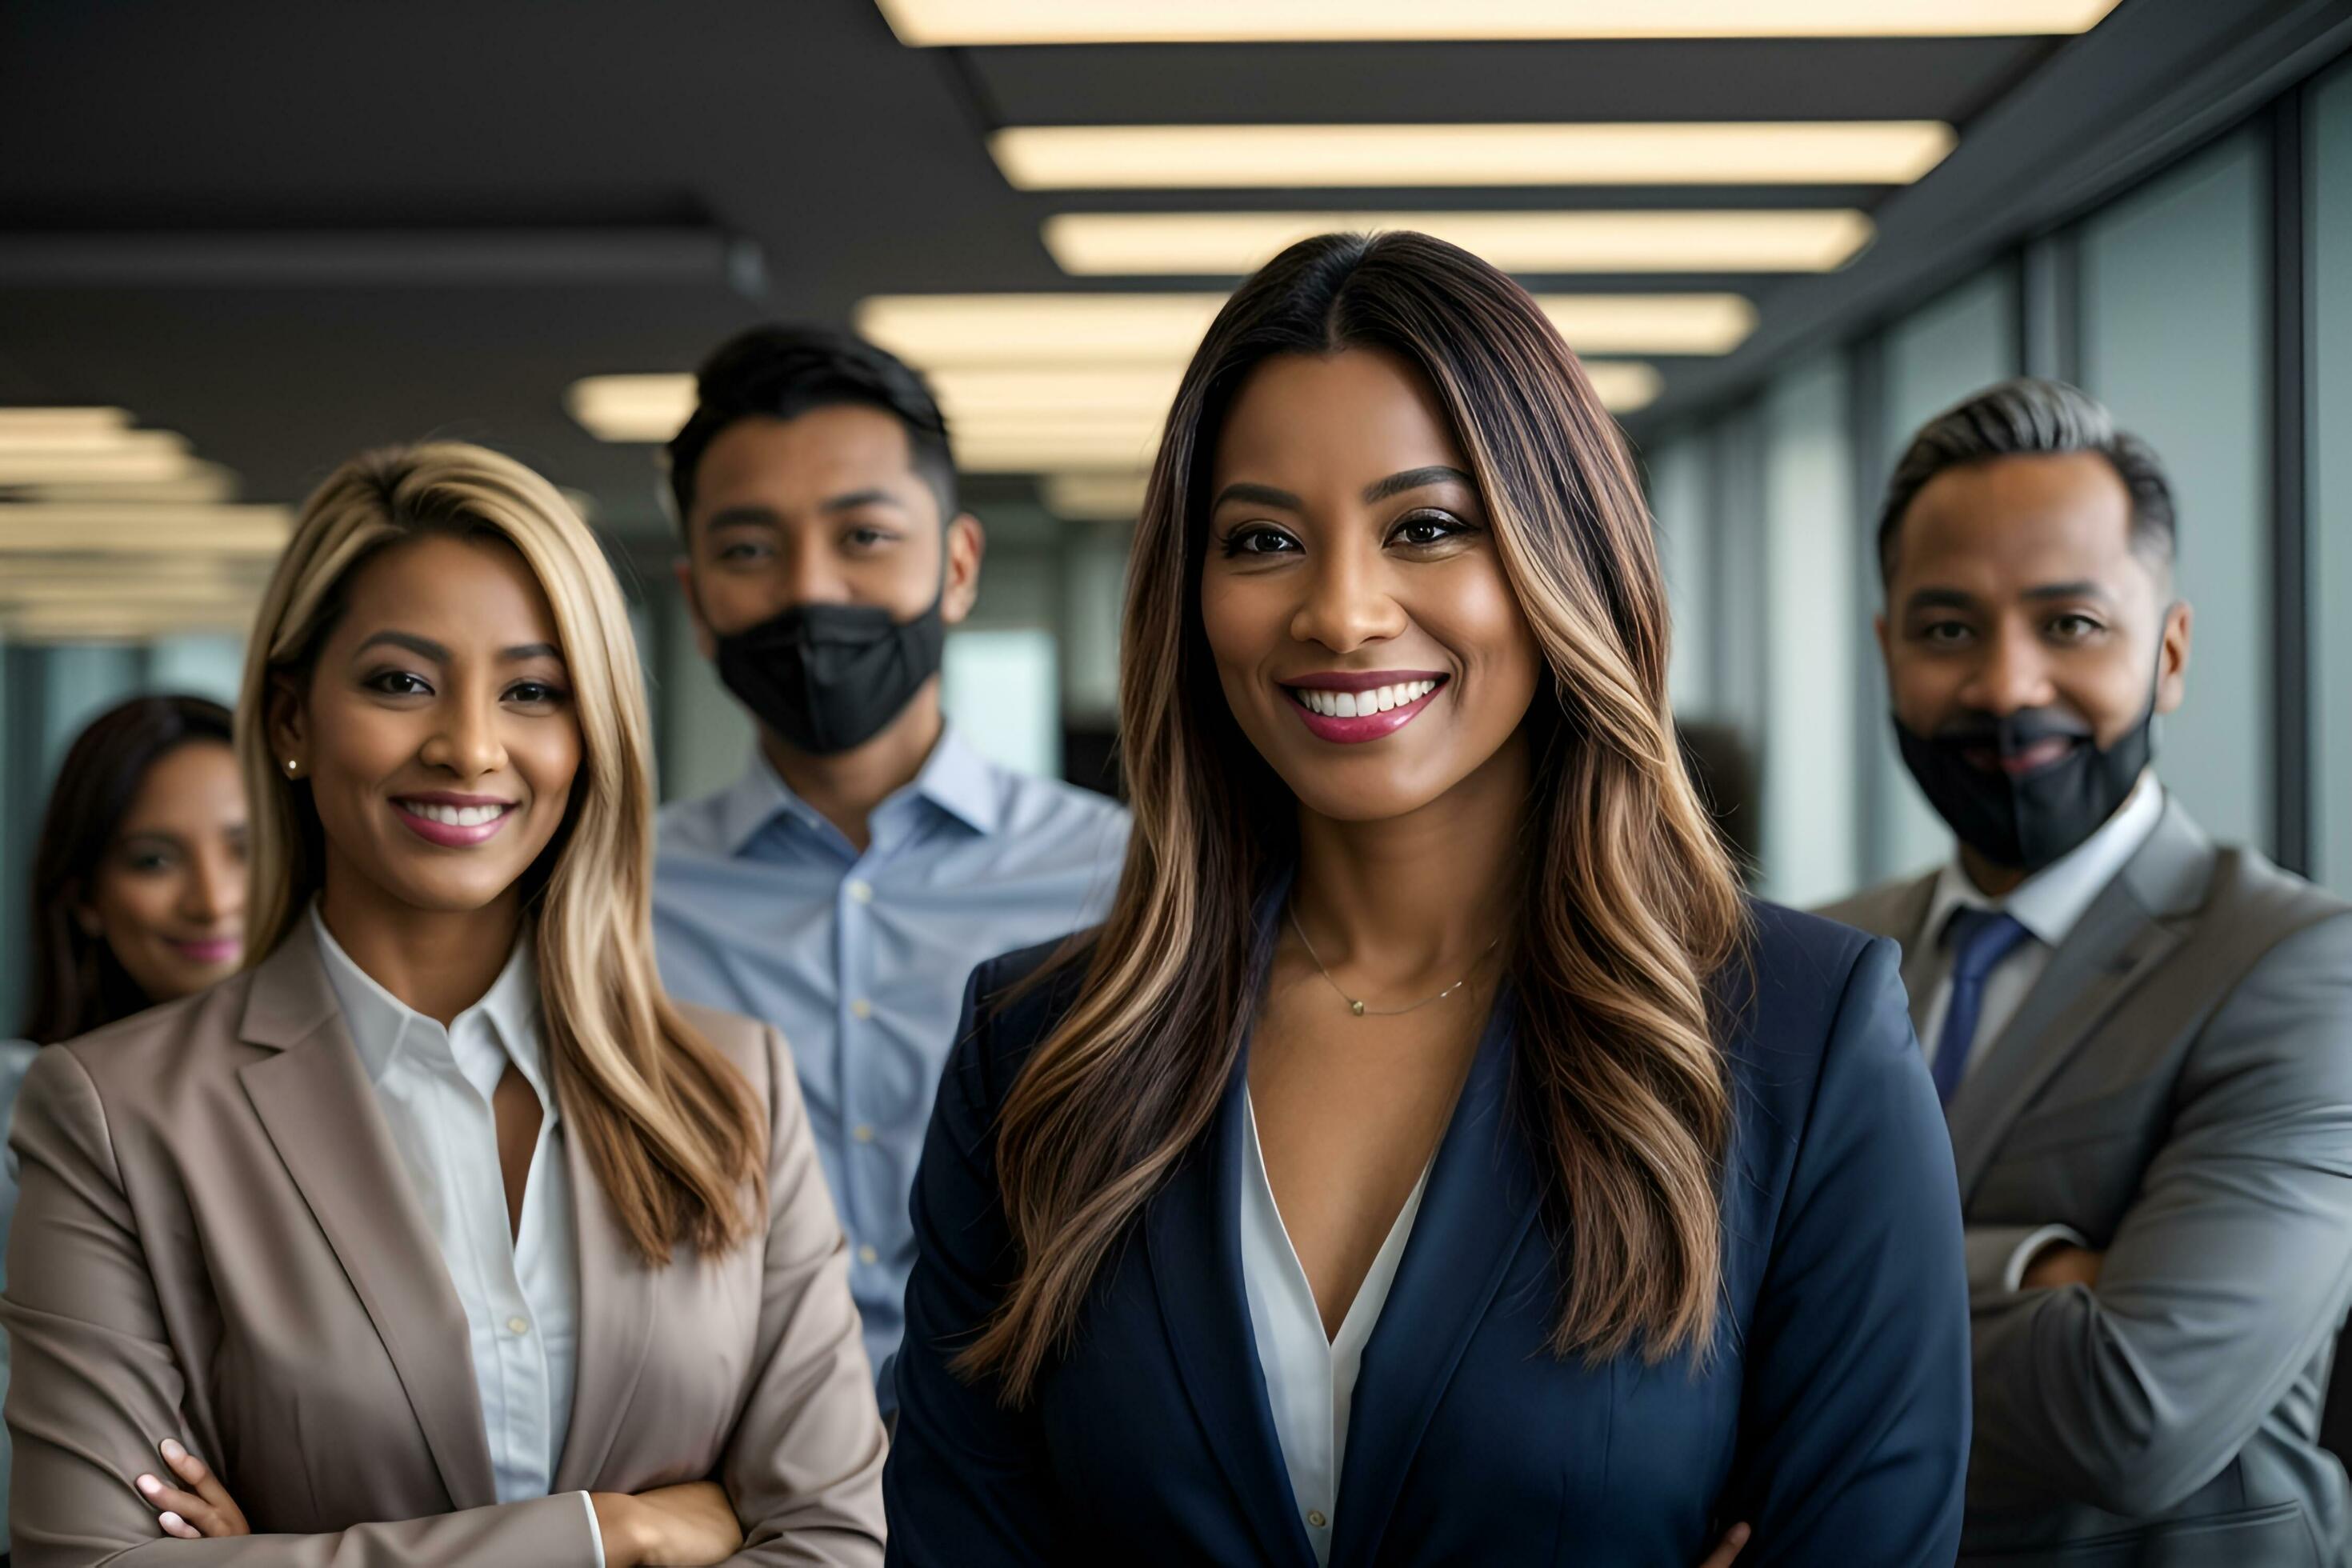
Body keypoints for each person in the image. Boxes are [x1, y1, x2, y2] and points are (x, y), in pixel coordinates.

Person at [882, 231, 1970, 1566]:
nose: (1341, 612)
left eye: (1428, 527)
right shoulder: (1036, 1048)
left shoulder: (1801, 1039)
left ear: (1560, 559)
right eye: (1263, 538)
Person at [3, 442, 886, 1566]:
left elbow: (833, 1543)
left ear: (590, 734)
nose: (469, 747)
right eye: (401, 681)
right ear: (289, 720)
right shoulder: (118, 1115)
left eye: (532, 691)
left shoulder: (731, 1083)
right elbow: (91, 1563)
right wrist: (607, 1535)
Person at [1818, 378, 2352, 1562]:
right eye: (1947, 628)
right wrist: (2034, 1266)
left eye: (2069, 624)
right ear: (1887, 649)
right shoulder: (1811, 959)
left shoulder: (2302, 966)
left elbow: (2135, 1417)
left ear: (2166, 654)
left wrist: (1802, 1273)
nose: (2007, 687)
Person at [652, 326, 1129, 1404]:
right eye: (747, 551)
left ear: (957, 567)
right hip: (733, 1502)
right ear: (694, 602)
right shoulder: (613, 905)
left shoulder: (1126, 881)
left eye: (864, 536)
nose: (810, 592)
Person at [0, 694, 246, 1566]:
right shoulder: (26, 1117)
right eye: (153, 860)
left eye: (245, 850)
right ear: (86, 899)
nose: (213, 901)